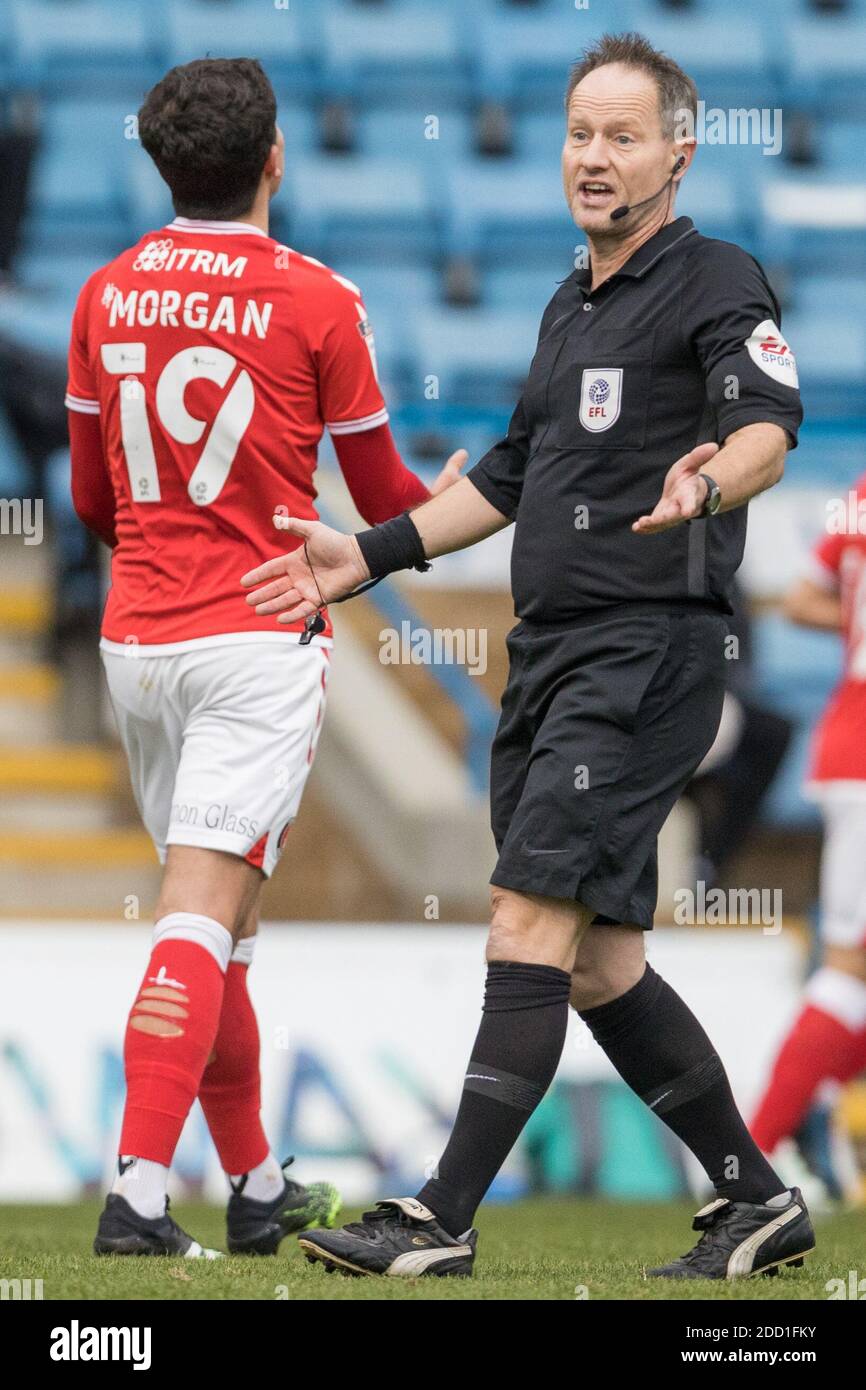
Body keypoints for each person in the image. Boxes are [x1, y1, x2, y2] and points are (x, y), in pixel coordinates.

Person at [243, 33, 815, 1281]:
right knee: (601, 960)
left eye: (620, 136)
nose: (592, 159)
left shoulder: (717, 278)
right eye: (577, 135)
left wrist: (713, 474)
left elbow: (767, 421)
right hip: (554, 656)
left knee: (523, 916)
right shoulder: (573, 297)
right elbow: (511, 469)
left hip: (645, 650)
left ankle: (440, 1215)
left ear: (678, 149)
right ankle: (757, 1200)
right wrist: (369, 551)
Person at [66, 57, 464, 1258]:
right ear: (275, 157)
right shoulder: (317, 300)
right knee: (200, 911)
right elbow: (383, 496)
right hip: (254, 636)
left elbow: (92, 497)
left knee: (224, 921)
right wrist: (441, 504)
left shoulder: (103, 292)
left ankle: (252, 1185)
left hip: (135, 641)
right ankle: (138, 1194)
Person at [751, 471, 866, 1172]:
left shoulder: (859, 495)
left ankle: (799, 1123)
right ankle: (755, 1153)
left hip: (849, 746)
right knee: (849, 967)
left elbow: (800, 598)